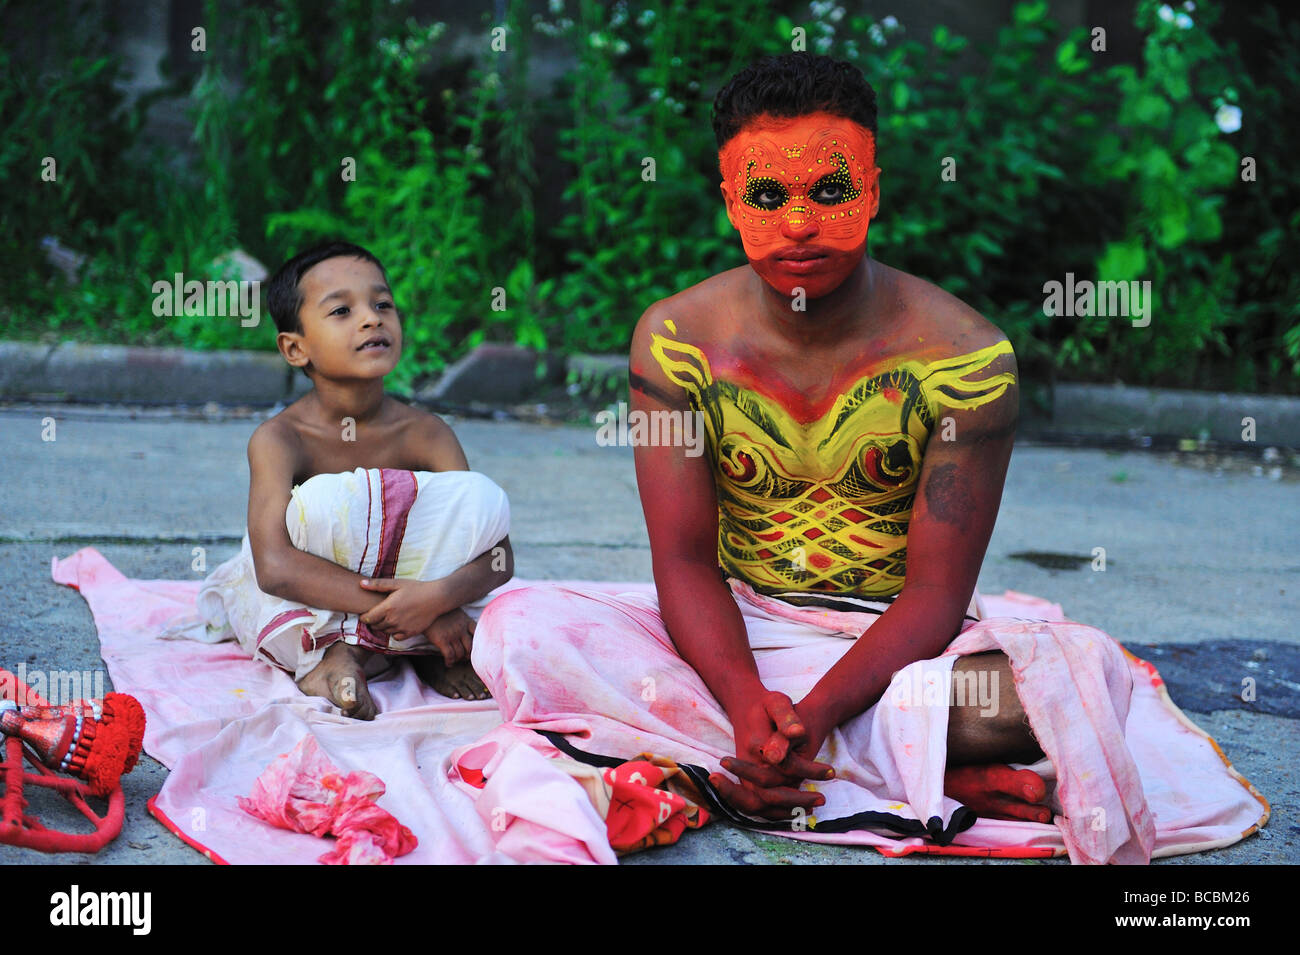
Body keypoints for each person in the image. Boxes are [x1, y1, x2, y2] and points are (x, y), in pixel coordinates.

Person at [472, 53, 1138, 847]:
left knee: (1082, 675)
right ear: (729, 200)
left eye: (830, 189)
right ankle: (899, 768)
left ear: (874, 189)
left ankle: (769, 755)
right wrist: (746, 692)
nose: (798, 223)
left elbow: (932, 594)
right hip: (734, 637)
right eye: (766, 195)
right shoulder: (677, 340)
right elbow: (683, 562)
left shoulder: (966, 357)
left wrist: (812, 714)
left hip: (902, 655)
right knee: (516, 627)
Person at [193, 240, 513, 716]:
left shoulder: (425, 433)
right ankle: (343, 655)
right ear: (296, 348)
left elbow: (492, 551)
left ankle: (406, 651)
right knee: (264, 603)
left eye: (382, 304)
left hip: (419, 601)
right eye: (342, 310)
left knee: (510, 617)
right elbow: (276, 567)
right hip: (312, 597)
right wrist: (423, 613)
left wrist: (440, 600)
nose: (372, 318)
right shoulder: (281, 439)